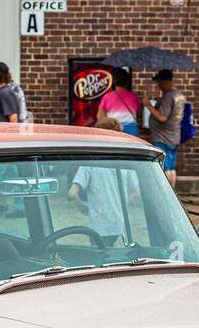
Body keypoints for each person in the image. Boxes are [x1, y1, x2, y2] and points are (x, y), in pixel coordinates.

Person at [68, 116, 139, 245]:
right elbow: (136, 191)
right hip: (118, 223)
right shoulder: (124, 160)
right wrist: (121, 204)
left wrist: (81, 205)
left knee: (99, 256)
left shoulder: (91, 162)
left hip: (98, 225)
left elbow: (72, 193)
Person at [0, 61, 27, 212]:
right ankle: (15, 205)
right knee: (11, 176)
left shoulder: (6, 93)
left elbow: (13, 119)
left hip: (4, 143)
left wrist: (7, 142)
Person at [143, 69, 185, 186]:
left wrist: (148, 105)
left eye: (159, 82)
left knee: (165, 167)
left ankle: (167, 192)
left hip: (163, 137)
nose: (158, 85)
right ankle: (172, 192)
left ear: (164, 81)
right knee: (171, 167)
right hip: (173, 136)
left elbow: (162, 117)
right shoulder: (178, 95)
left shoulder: (168, 96)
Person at [98, 67, 141, 136]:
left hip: (114, 130)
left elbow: (100, 117)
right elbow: (138, 114)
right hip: (131, 130)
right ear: (127, 82)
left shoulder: (107, 97)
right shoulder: (134, 97)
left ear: (114, 82)